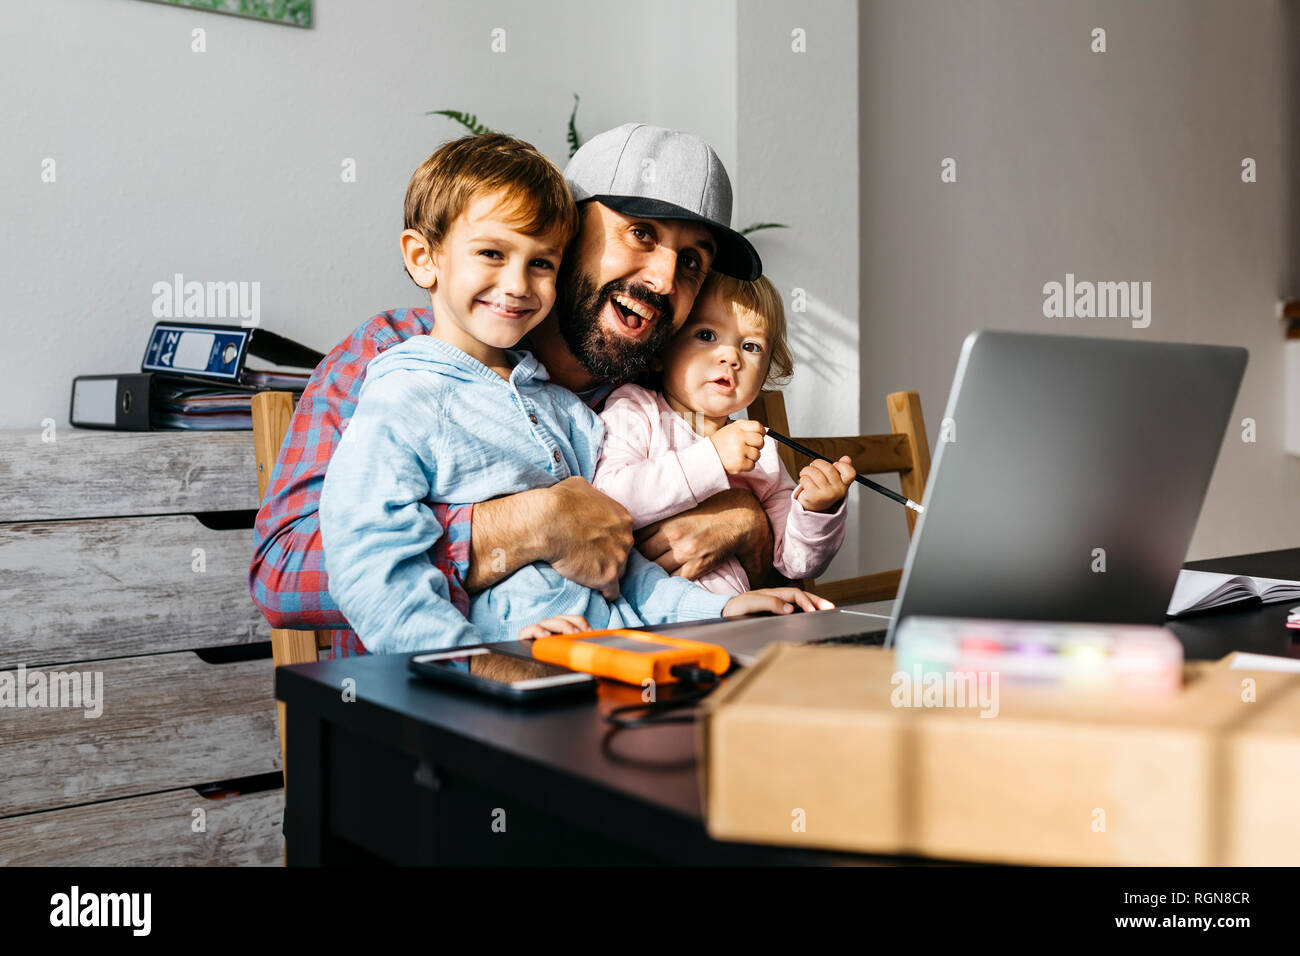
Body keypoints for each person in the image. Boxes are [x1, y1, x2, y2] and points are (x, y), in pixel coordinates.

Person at [250, 124, 783, 656]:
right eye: (640, 233)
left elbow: (767, 595)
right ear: (567, 232)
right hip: (429, 706)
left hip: (615, 693)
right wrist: (531, 526)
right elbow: (283, 572)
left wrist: (748, 524)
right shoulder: (391, 357)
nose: (666, 279)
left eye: (692, 261)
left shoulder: (663, 398)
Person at [594, 273, 854, 594]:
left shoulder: (764, 453)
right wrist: (711, 459)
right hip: (652, 623)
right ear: (661, 350)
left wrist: (816, 511)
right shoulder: (636, 409)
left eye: (750, 346)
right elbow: (609, 501)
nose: (731, 357)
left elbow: (798, 563)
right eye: (706, 334)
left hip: (740, 623)